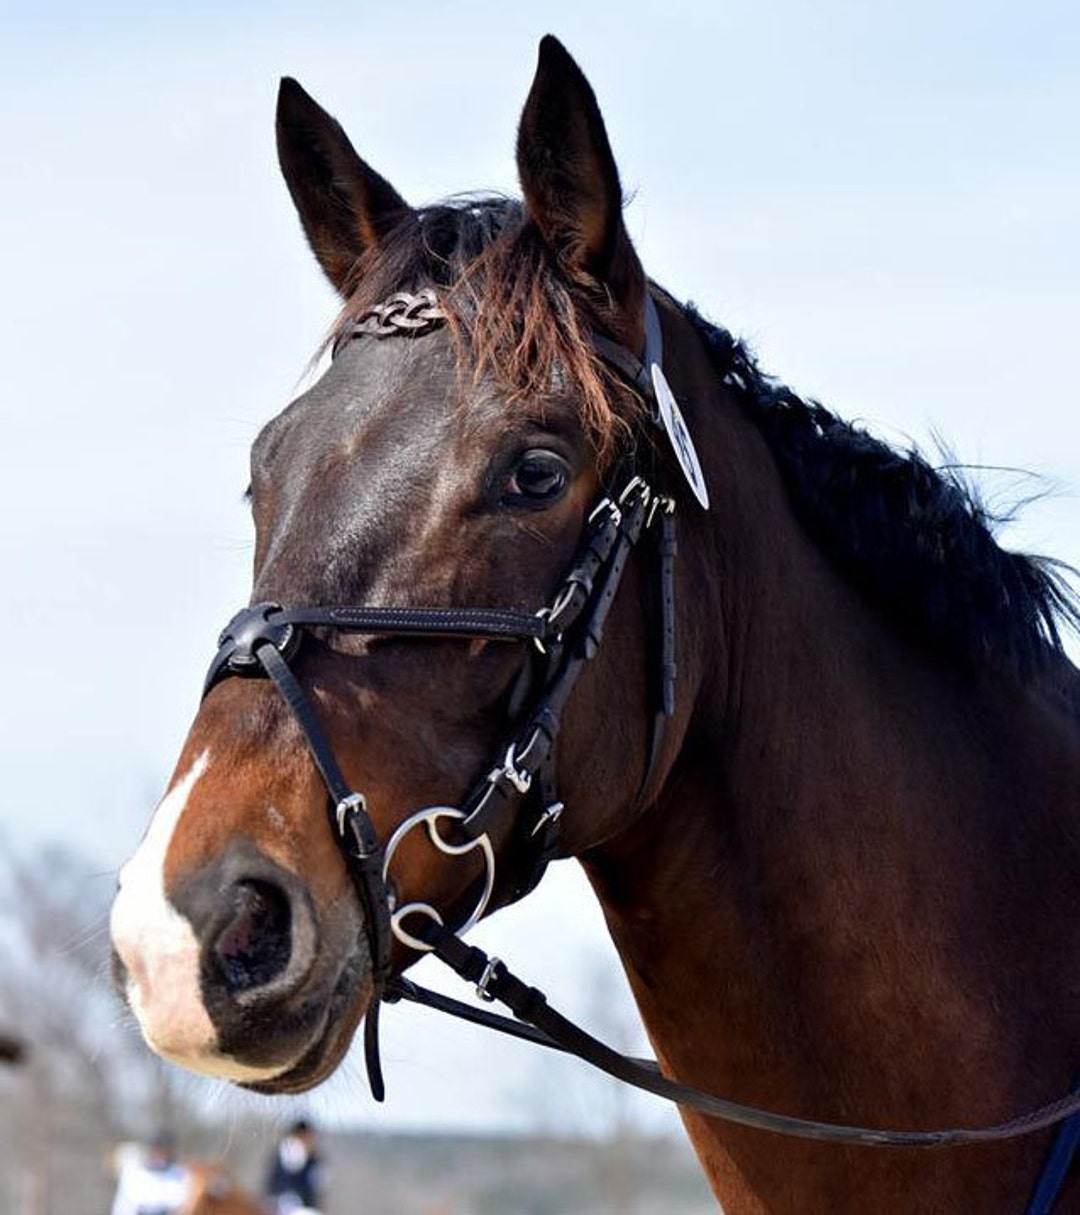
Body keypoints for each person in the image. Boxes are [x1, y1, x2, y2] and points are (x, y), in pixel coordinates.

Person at [110, 1133, 190, 1215]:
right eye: (158, 1149)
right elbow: (123, 1208)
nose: (161, 1154)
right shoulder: (134, 1175)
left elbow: (184, 1204)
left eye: (165, 1150)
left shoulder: (180, 1175)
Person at [264, 1119, 324, 1214]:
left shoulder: (314, 1159)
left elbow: (316, 1186)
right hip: (284, 1202)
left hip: (306, 1206)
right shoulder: (286, 1153)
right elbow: (274, 1181)